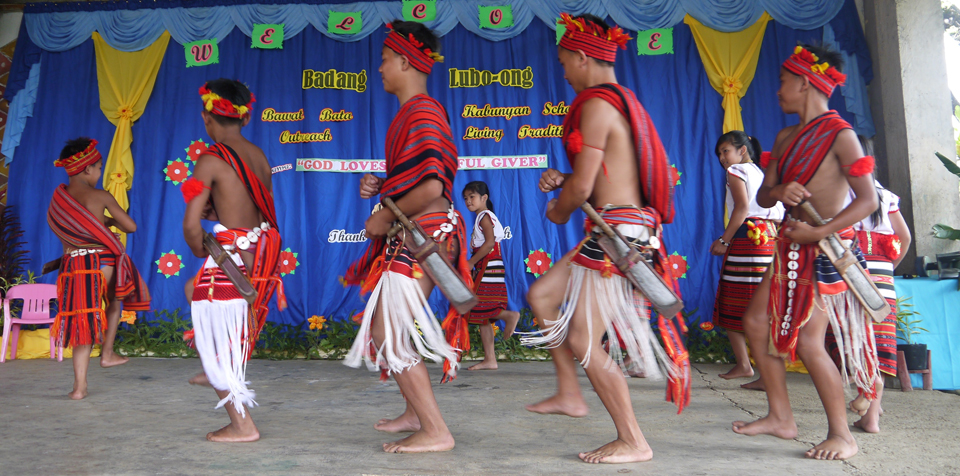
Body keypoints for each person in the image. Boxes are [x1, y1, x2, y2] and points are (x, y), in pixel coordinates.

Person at [520, 13, 690, 464]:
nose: (563, 71)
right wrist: (568, 181)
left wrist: (558, 207)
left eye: (563, 62)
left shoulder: (598, 105)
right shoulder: (619, 102)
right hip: (616, 228)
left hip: (619, 233)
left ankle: (633, 439)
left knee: (579, 336)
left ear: (580, 56)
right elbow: (596, 179)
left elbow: (583, 189)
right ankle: (569, 393)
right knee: (541, 296)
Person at [731, 45, 880, 461]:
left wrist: (819, 231)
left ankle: (842, 436)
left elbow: (867, 200)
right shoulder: (784, 137)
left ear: (804, 82)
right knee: (756, 323)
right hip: (789, 247)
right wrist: (778, 191)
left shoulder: (842, 135)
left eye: (782, 81)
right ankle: (780, 416)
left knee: (810, 342)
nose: (777, 89)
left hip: (828, 250)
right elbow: (764, 193)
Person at [342, 20, 468, 454]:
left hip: (426, 236)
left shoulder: (423, 111)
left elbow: (434, 188)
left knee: (386, 330)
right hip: (419, 233)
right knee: (387, 328)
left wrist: (381, 219)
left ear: (403, 60)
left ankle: (435, 430)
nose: (378, 69)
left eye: (382, 61)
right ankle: (415, 413)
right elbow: (419, 179)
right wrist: (385, 187)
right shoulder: (412, 113)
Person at [182, 79, 285, 442]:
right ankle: (213, 369)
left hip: (229, 255)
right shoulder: (259, 155)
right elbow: (255, 208)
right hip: (257, 254)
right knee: (191, 288)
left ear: (208, 119)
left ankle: (242, 425)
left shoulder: (209, 159)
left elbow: (192, 222)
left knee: (213, 330)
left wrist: (198, 248)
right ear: (243, 117)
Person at [47, 137, 150, 399]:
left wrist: (94, 223)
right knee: (114, 300)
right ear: (87, 169)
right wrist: (106, 220)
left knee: (84, 317)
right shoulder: (100, 195)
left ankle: (79, 387)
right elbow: (131, 226)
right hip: (100, 262)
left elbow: (67, 238)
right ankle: (107, 353)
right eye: (100, 167)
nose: (100, 172)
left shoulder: (58, 200)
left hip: (72, 266)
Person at [827, 178, 911, 433]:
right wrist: (888, 270)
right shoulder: (887, 195)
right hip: (883, 270)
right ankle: (871, 418)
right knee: (880, 338)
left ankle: (868, 386)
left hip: (851, 265)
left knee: (846, 333)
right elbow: (904, 237)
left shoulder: (838, 190)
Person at [710, 131, 783, 381]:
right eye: (720, 153)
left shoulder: (736, 172)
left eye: (725, 151)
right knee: (760, 305)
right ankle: (756, 369)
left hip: (748, 240)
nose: (722, 158)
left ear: (742, 150)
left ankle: (753, 368)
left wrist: (723, 240)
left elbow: (741, 209)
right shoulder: (761, 174)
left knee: (735, 303)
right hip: (769, 238)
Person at [462, 180, 521, 371]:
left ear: (484, 198)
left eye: (472, 197)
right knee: (482, 316)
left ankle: (509, 315)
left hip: (487, 265)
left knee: (483, 308)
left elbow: (488, 244)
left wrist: (471, 262)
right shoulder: (484, 216)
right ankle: (490, 359)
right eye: (465, 198)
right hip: (488, 265)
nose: (468, 201)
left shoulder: (484, 216)